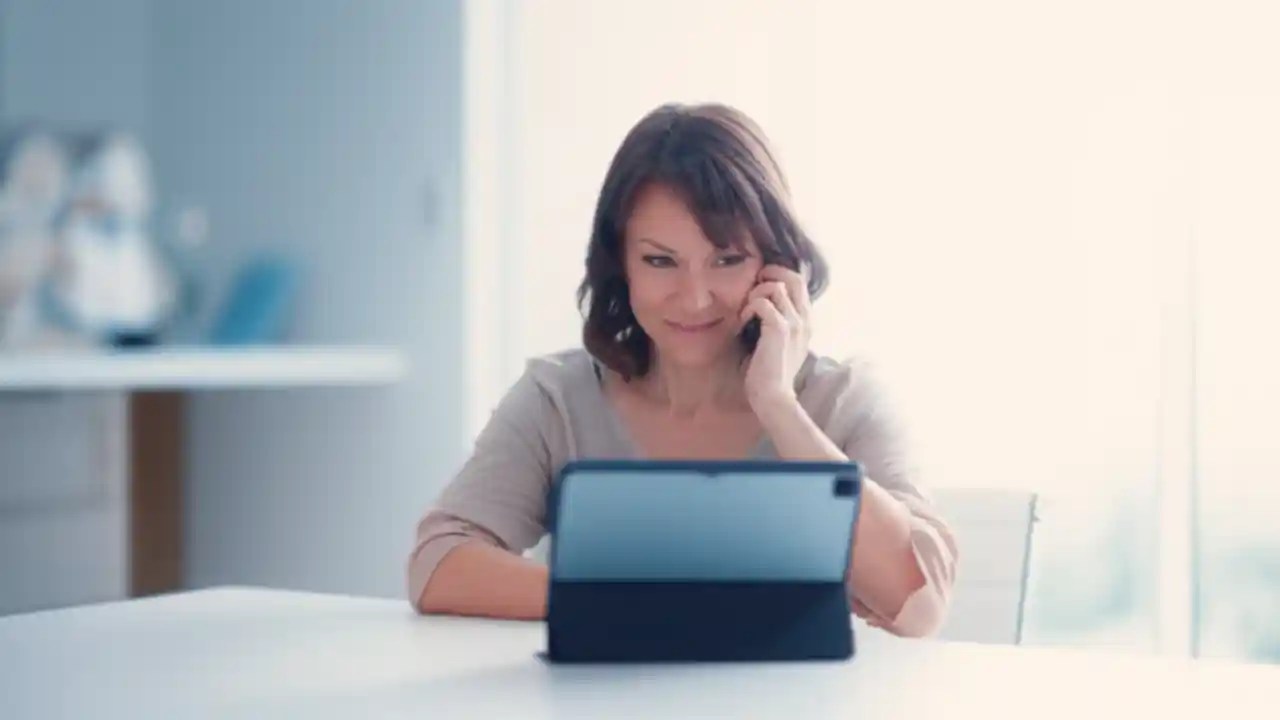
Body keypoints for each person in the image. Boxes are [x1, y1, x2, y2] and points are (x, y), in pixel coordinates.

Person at [408, 102, 958, 637]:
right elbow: (438, 563)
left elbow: (920, 606)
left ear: (775, 264)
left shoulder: (842, 400)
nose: (695, 299)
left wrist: (778, 405)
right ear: (620, 264)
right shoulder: (558, 398)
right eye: (660, 261)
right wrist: (625, 602)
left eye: (727, 260)